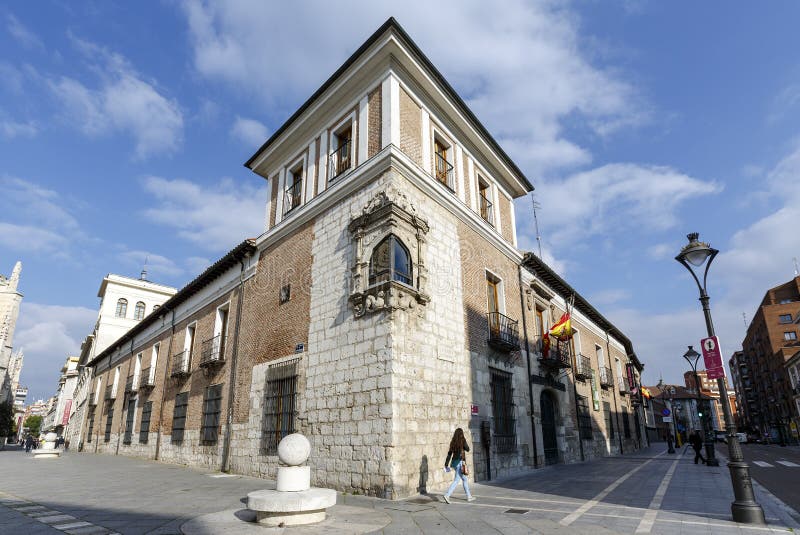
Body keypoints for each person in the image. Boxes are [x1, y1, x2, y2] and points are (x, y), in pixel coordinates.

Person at [442, 428, 474, 504]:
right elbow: (468, 449)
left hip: (454, 463)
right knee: (458, 480)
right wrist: (464, 440)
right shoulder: (462, 441)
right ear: (461, 434)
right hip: (460, 463)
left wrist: (446, 464)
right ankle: (447, 495)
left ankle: (469, 496)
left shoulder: (453, 442)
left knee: (462, 479)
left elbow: (449, 454)